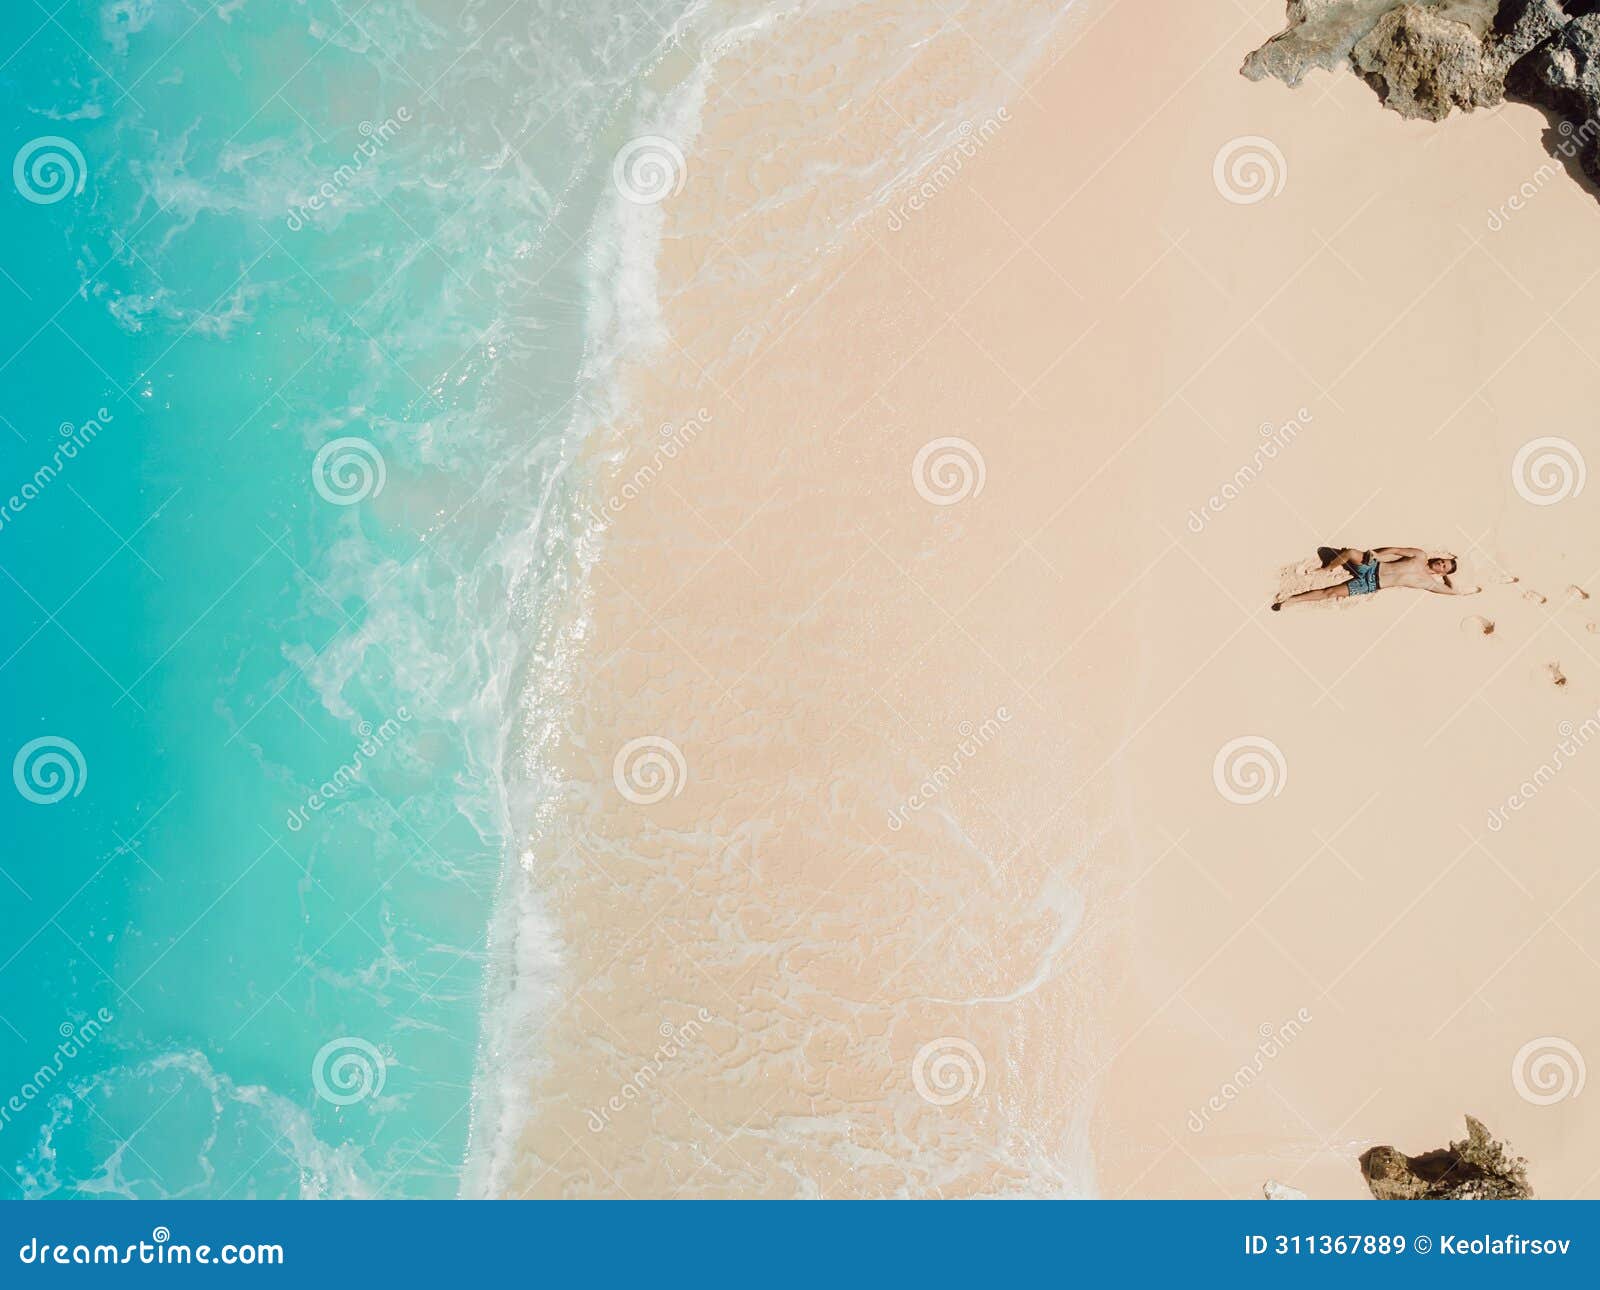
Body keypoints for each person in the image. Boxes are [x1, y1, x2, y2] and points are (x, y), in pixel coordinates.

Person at [1271, 546, 1480, 610]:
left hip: (1370, 583)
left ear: (1443, 573)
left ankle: (1291, 600)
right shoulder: (1420, 556)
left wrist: (1446, 579)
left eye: (1444, 567)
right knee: (1350, 552)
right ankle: (1326, 569)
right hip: (1373, 566)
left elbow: (1454, 592)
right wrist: (1379, 555)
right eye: (1443, 561)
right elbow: (1396, 550)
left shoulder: (1429, 583)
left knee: (1331, 592)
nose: (1441, 564)